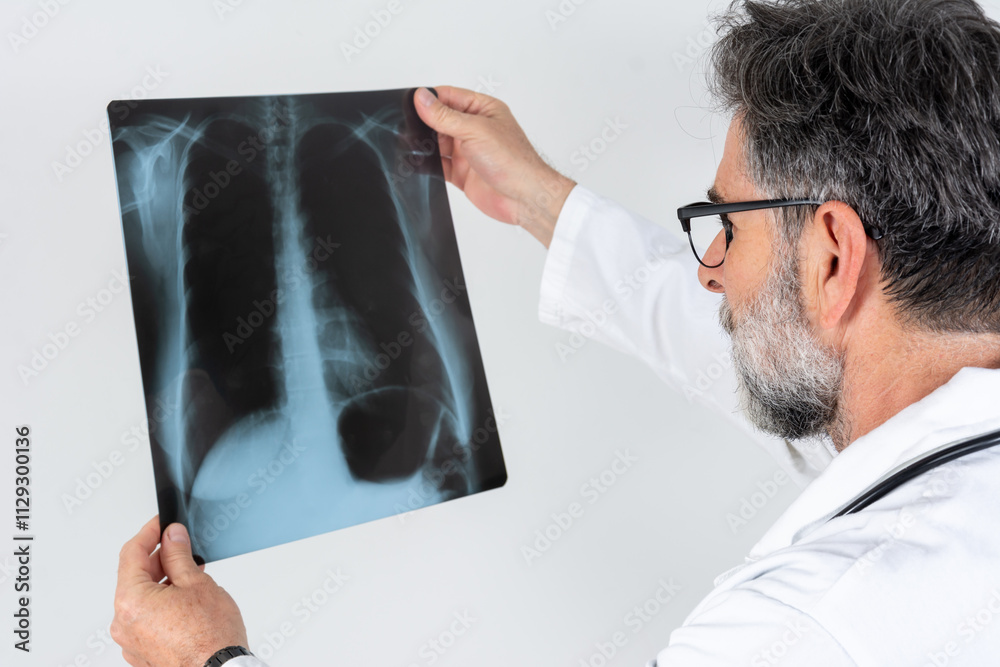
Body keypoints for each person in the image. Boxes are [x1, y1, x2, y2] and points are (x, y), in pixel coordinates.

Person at [112, 0, 1000, 664]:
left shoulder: (804, 628)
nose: (708, 267)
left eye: (725, 223)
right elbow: (775, 344)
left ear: (836, 257)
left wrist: (211, 662)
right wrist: (541, 199)